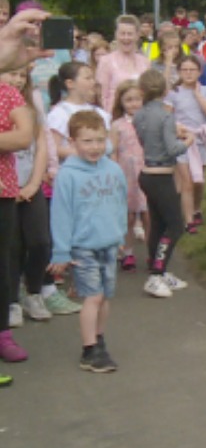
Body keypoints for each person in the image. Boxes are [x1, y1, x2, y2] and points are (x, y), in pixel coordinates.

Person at [49, 110, 128, 373]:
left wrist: (120, 235)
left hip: (109, 243)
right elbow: (61, 214)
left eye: (99, 140)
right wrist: (61, 252)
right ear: (72, 142)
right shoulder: (67, 175)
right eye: (87, 141)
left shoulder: (113, 169)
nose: (94, 147)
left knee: (105, 297)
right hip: (82, 246)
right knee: (93, 297)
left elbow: (120, 204)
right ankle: (89, 350)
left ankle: (99, 338)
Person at [3, 64, 80, 323]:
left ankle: (34, 292)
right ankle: (11, 300)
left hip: (30, 183)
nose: (17, 79)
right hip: (6, 187)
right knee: (12, 247)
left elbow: (41, 145)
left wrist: (34, 183)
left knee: (40, 241)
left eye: (21, 75)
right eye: (12, 73)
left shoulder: (32, 103)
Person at [132, 69, 193, 299]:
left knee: (157, 224)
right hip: (162, 175)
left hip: (147, 173)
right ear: (165, 90)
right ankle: (156, 274)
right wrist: (188, 140)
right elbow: (173, 148)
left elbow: (146, 141)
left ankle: (160, 269)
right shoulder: (166, 116)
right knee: (175, 225)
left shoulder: (139, 115)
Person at [1, 59, 36, 365]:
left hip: (3, 191)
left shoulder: (8, 93)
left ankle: (2, 334)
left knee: (3, 263)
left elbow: (24, 136)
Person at [167, 54, 206, 232]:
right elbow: (167, 116)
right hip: (183, 141)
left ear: (199, 72)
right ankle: (188, 221)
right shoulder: (174, 92)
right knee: (186, 181)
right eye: (184, 70)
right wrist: (177, 129)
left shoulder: (205, 90)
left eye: (192, 70)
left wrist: (198, 95)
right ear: (179, 72)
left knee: (198, 181)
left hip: (200, 139)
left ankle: (196, 208)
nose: (188, 73)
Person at [110, 80, 149, 273]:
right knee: (129, 215)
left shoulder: (149, 121)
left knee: (148, 213)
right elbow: (113, 151)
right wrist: (114, 172)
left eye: (137, 99)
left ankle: (152, 252)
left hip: (147, 170)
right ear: (121, 102)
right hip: (126, 173)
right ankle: (127, 251)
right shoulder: (117, 125)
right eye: (129, 100)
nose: (134, 104)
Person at [97, 15, 151, 112]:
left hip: (140, 116)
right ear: (116, 35)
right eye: (122, 33)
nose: (126, 38)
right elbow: (101, 96)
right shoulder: (106, 61)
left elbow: (148, 93)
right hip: (114, 115)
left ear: (137, 35)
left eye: (130, 34)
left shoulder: (145, 62)